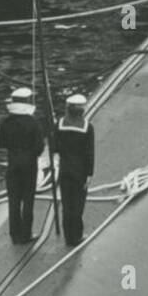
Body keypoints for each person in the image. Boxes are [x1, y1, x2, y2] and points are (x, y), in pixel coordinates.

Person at [0, 86, 45, 245]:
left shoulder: (6, 122)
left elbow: (2, 142)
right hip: (29, 164)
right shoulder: (33, 123)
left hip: (13, 162)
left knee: (13, 200)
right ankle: (26, 234)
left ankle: (14, 233)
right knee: (28, 200)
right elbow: (39, 147)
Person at [52, 94, 95, 248]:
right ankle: (76, 236)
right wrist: (90, 174)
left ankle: (68, 237)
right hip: (80, 172)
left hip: (64, 170)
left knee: (66, 203)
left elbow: (54, 147)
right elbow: (89, 153)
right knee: (77, 205)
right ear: (82, 110)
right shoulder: (87, 127)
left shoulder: (59, 124)